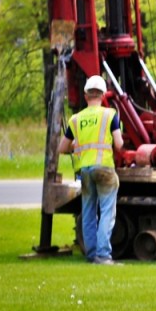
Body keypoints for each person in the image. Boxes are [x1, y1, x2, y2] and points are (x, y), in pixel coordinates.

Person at [59, 74, 124, 264]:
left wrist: (78, 146)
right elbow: (119, 144)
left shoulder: (75, 119)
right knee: (107, 212)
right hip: (104, 169)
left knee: (88, 214)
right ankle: (103, 255)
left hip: (85, 171)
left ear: (86, 96)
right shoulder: (109, 115)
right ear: (103, 95)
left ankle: (91, 254)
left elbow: (63, 148)